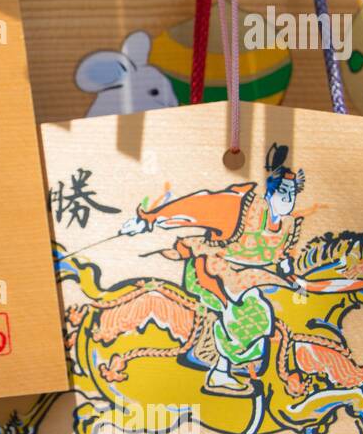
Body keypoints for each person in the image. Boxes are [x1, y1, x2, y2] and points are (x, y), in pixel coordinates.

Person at [118, 145, 304, 394]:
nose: (287, 201)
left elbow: (281, 257)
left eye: (291, 194)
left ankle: (241, 363)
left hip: (246, 279)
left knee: (259, 308)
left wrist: (289, 273)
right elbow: (198, 207)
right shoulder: (243, 208)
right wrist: (149, 220)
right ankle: (219, 373)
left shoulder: (286, 226)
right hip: (212, 270)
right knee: (251, 311)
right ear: (269, 192)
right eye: (282, 193)